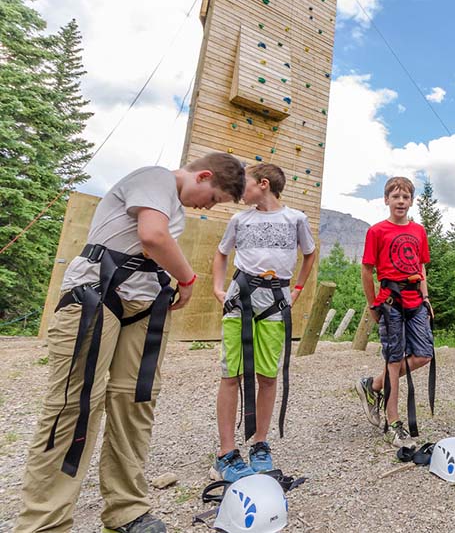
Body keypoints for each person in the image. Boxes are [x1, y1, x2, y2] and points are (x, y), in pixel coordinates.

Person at [15, 153, 245, 533]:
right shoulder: (156, 178)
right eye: (214, 197)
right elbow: (151, 236)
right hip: (95, 296)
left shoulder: (176, 209)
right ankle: (43, 522)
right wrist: (187, 278)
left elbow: (155, 244)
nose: (208, 206)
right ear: (203, 175)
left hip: (143, 307)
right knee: (75, 403)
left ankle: (126, 509)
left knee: (134, 403)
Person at [211, 164, 317, 481]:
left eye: (244, 184)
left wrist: (296, 290)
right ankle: (226, 452)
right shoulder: (238, 220)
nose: (239, 191)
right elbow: (221, 254)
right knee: (232, 372)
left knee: (267, 374)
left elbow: (309, 254)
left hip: (275, 298)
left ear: (263, 184)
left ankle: (260, 443)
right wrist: (219, 289)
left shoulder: (296, 219)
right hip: (240, 295)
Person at [355, 176, 434, 449]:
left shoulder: (419, 231)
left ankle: (373, 386)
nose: (401, 201)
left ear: (411, 201)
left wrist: (425, 296)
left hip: (415, 300)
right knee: (394, 358)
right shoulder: (377, 231)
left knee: (423, 355)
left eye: (406, 197)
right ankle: (393, 423)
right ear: (386, 200)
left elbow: (422, 267)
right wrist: (372, 304)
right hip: (390, 300)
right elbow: (367, 270)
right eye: (395, 196)